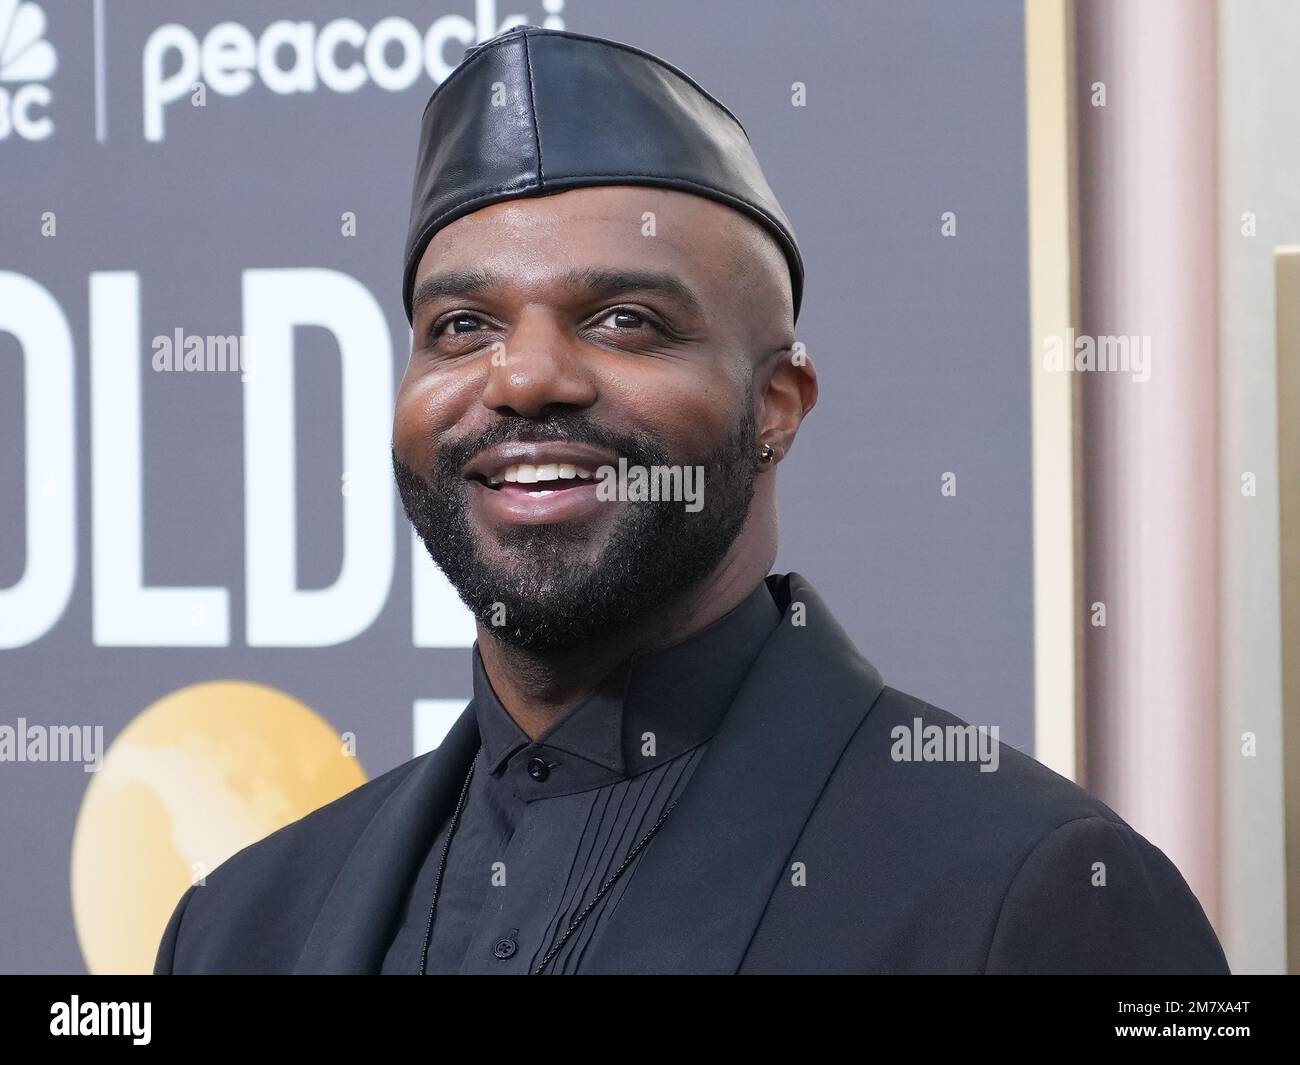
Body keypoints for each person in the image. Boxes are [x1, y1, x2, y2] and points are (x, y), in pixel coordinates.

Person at [154, 25, 1228, 975]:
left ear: (776, 404)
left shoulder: (1034, 891)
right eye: (460, 328)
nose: (521, 378)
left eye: (623, 320)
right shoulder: (243, 924)